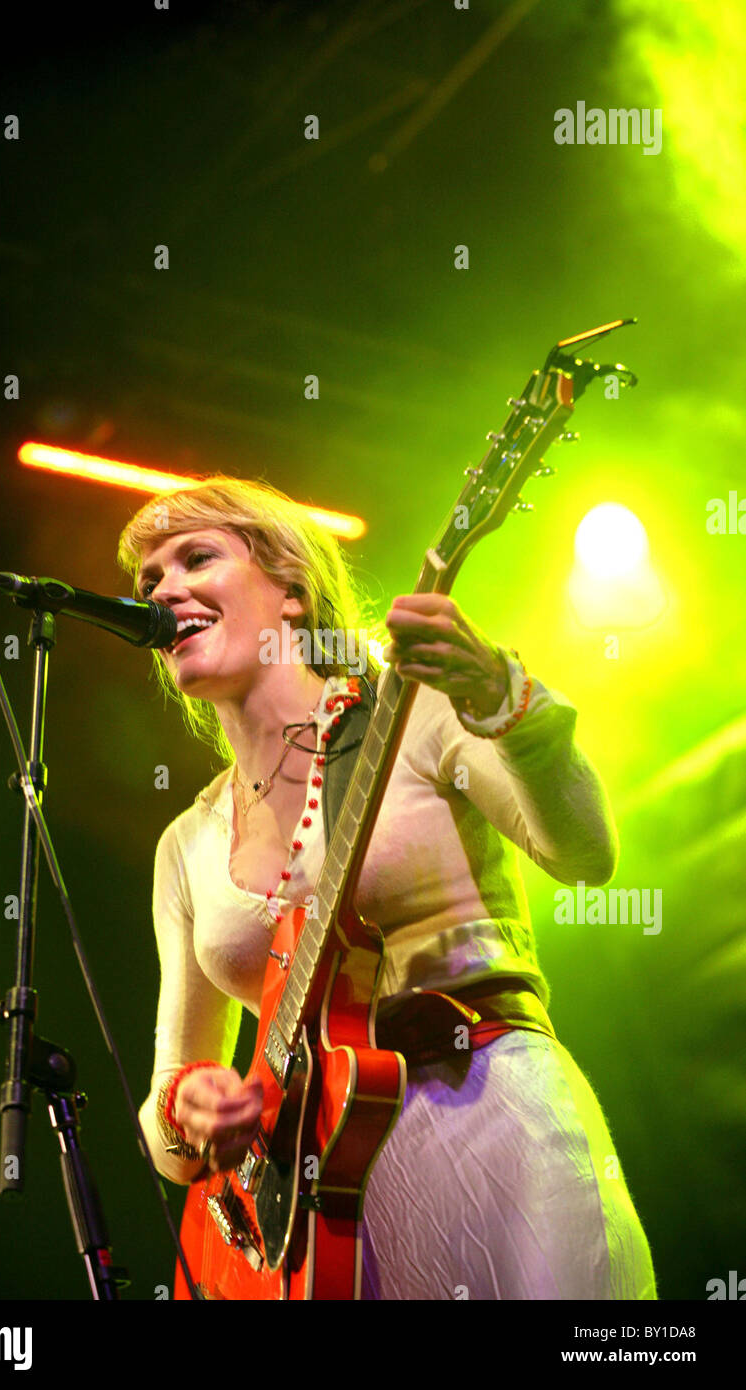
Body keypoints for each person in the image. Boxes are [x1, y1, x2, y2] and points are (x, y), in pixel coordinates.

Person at [121, 475, 657, 1300]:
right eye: (148, 579)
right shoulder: (187, 843)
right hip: (316, 1217)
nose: (164, 590)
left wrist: (505, 703)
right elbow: (167, 1126)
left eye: (196, 558)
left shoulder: (416, 711)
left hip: (490, 1115)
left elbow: (584, 855)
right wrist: (188, 1105)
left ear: (290, 588)